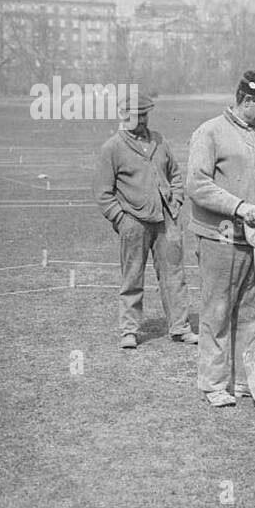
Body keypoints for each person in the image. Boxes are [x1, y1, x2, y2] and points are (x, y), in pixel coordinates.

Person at [186, 71, 255, 407]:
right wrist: (238, 206)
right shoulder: (209, 133)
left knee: (252, 315)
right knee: (217, 312)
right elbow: (197, 185)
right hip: (222, 239)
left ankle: (245, 379)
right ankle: (214, 384)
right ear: (247, 100)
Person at [93, 93, 196, 349]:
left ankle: (180, 327)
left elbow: (175, 174)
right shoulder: (112, 148)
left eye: (145, 114)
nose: (141, 120)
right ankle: (129, 330)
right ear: (123, 116)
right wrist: (121, 219)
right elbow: (103, 193)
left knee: (174, 275)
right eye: (136, 115)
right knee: (132, 276)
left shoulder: (160, 140)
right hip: (134, 222)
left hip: (167, 219)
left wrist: (177, 200)